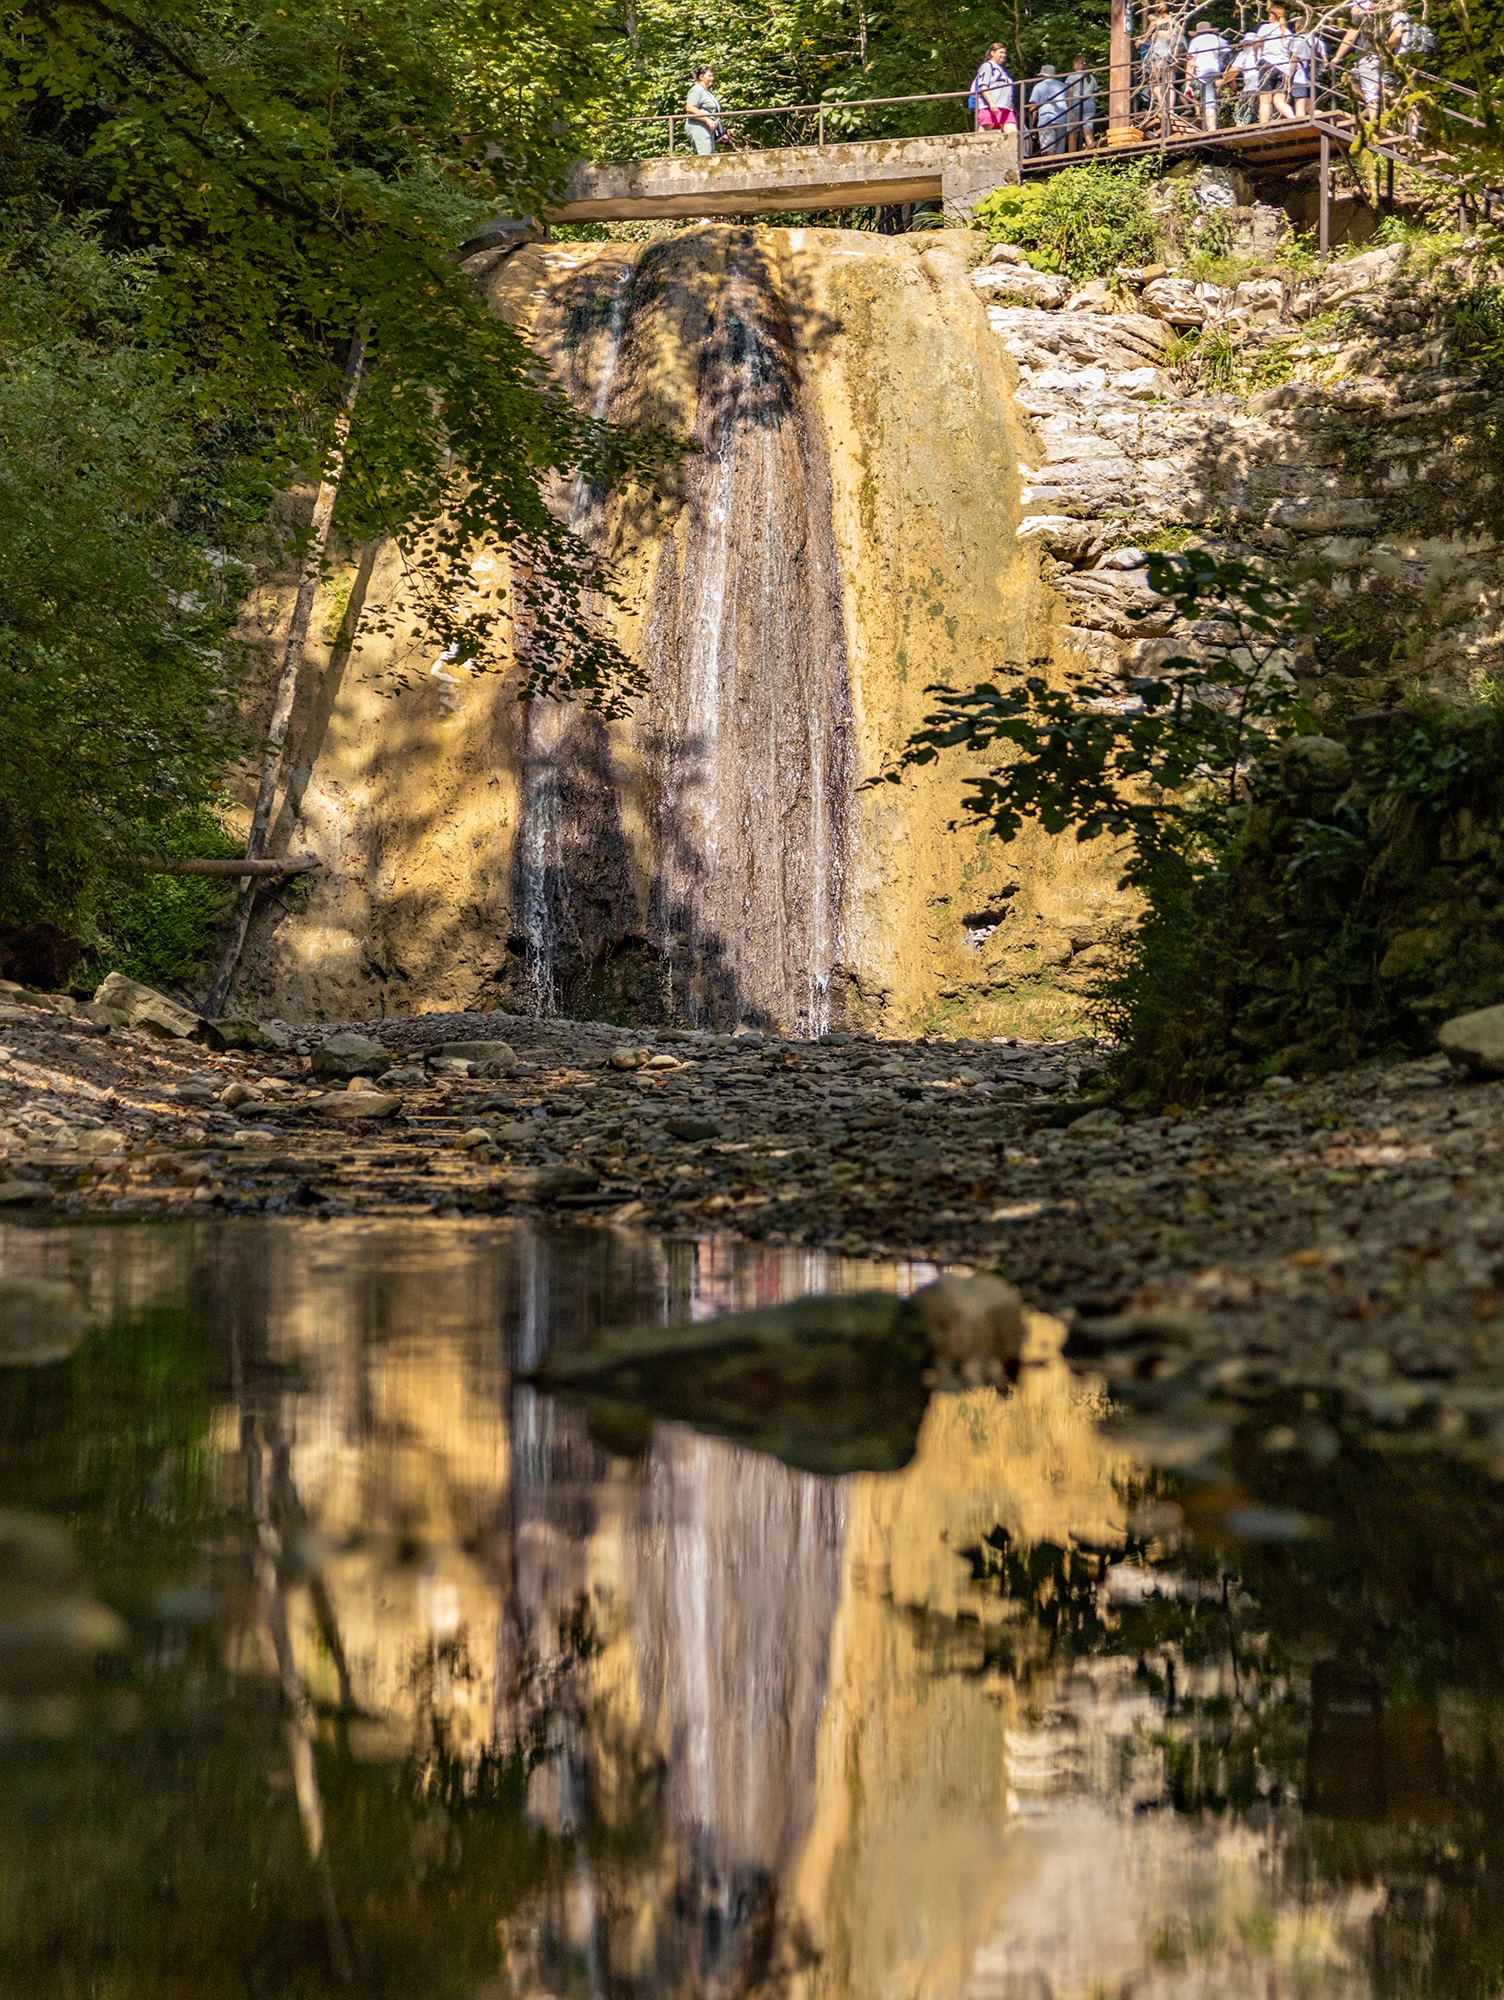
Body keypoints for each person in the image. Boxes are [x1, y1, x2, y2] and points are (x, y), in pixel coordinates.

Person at [1141, 4, 1187, 133]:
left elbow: (1151, 28)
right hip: (1169, 52)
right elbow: (1182, 31)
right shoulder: (1172, 19)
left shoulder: (1155, 19)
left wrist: (1142, 40)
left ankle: (1161, 104)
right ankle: (1170, 109)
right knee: (1169, 83)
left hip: (1157, 52)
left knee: (1154, 81)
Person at [1184, 19, 1231, 129]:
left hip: (1203, 73)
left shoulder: (1195, 41)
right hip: (1217, 72)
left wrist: (1187, 84)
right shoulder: (1219, 40)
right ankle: (1216, 125)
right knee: (1214, 98)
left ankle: (1211, 130)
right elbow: (1228, 56)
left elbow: (1191, 63)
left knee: (1209, 101)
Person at [1253, 4, 1293, 121]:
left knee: (1265, 100)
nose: (1268, 17)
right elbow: (1290, 53)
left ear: (1273, 16)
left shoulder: (1266, 28)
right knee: (1279, 101)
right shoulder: (1288, 32)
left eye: (1269, 14)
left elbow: (1256, 43)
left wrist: (1256, 56)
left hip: (1268, 64)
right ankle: (1293, 118)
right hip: (1284, 68)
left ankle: (1263, 126)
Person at [971, 44, 1017, 130]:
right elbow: (983, 86)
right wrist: (991, 103)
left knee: (1012, 133)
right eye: (1001, 52)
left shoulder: (1001, 69)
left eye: (1004, 53)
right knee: (985, 134)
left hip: (1005, 107)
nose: (1003, 55)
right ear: (992, 53)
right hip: (989, 107)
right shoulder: (987, 66)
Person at [1029, 63, 1070, 152]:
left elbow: (1033, 107)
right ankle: (1059, 165)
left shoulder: (1038, 86)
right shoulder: (1063, 86)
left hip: (1046, 119)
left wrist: (1033, 125)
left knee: (1048, 149)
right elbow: (1068, 102)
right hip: (1062, 119)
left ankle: (1051, 166)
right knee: (1060, 150)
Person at [684, 64, 725, 155]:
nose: (712, 78)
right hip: (698, 126)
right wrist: (707, 119)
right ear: (701, 77)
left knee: (710, 155)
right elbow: (690, 107)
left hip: (708, 128)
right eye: (709, 76)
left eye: (713, 76)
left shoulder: (707, 91)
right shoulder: (697, 89)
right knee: (705, 156)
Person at [1228, 29, 1265, 121]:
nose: (1245, 46)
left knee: (1241, 119)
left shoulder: (1244, 53)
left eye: (1247, 43)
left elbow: (1234, 70)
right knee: (1263, 116)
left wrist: (1224, 81)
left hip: (1250, 89)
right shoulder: (1265, 53)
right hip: (1265, 88)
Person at [1066, 55, 1099, 149]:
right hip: (1089, 102)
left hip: (1076, 102)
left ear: (1077, 63)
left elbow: (1070, 94)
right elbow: (1094, 91)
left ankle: (1071, 158)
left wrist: (1069, 110)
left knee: (1073, 131)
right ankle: (1091, 148)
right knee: (1087, 127)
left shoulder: (1072, 77)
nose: (1073, 66)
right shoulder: (1092, 77)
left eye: (1074, 64)